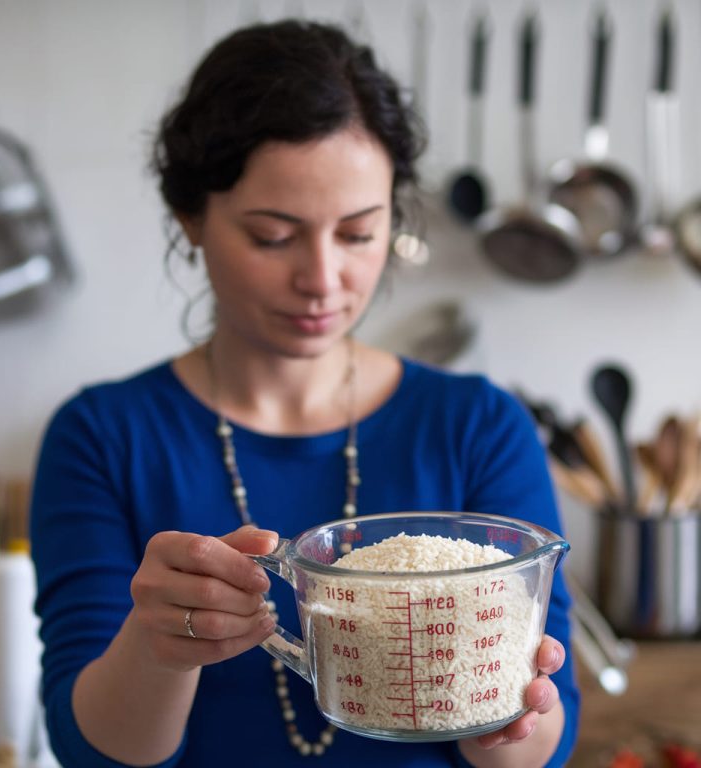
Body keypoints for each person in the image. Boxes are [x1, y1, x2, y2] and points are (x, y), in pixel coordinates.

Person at [30, 18, 579, 768]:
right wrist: (158, 648)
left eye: (357, 234)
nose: (321, 279)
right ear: (192, 216)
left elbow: (541, 741)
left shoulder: (477, 426)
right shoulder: (103, 436)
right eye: (272, 236)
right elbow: (90, 751)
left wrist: (505, 715)